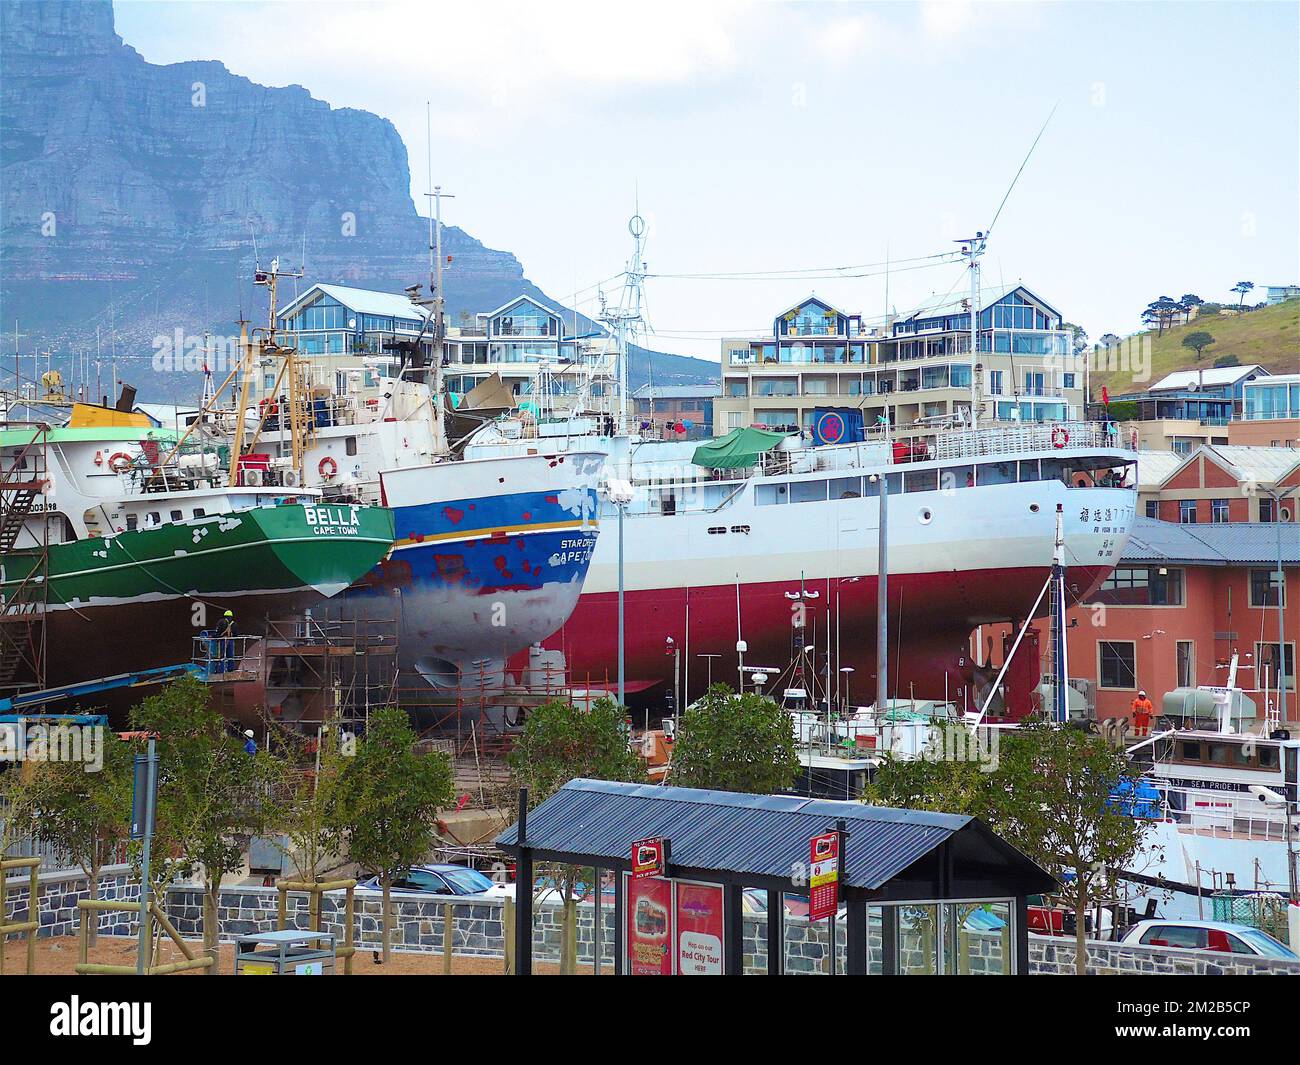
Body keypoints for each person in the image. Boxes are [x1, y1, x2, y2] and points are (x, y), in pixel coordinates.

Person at [217, 609, 237, 674]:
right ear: (231, 616)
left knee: (222, 655)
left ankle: (221, 670)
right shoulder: (234, 624)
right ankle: (231, 669)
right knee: (230, 656)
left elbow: (218, 632)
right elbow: (236, 634)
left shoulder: (221, 622)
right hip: (230, 641)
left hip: (223, 640)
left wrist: (216, 637)